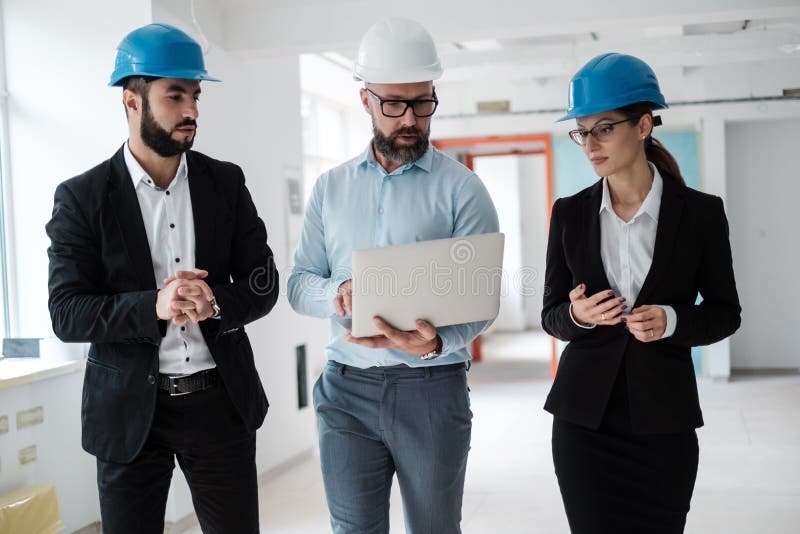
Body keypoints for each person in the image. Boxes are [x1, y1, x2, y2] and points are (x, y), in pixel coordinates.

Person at [46, 23, 278, 533]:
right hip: (128, 412)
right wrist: (154, 304)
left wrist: (214, 300)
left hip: (219, 403)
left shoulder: (226, 181)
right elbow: (66, 312)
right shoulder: (82, 198)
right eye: (175, 95)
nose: (192, 109)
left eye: (195, 95)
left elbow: (264, 283)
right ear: (131, 102)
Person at [287, 17, 498, 534]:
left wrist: (432, 343)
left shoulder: (463, 190)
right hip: (345, 390)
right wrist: (336, 294)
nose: (410, 118)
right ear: (365, 101)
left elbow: (482, 300)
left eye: (422, 103)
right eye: (394, 104)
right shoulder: (330, 189)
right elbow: (298, 284)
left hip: (431, 389)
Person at [542, 52, 742, 534]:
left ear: (645, 124)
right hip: (583, 422)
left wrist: (672, 321)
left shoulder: (701, 214)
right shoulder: (569, 214)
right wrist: (581, 316)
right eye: (582, 131)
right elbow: (552, 315)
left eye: (604, 128)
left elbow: (724, 313)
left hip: (664, 422)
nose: (589, 143)